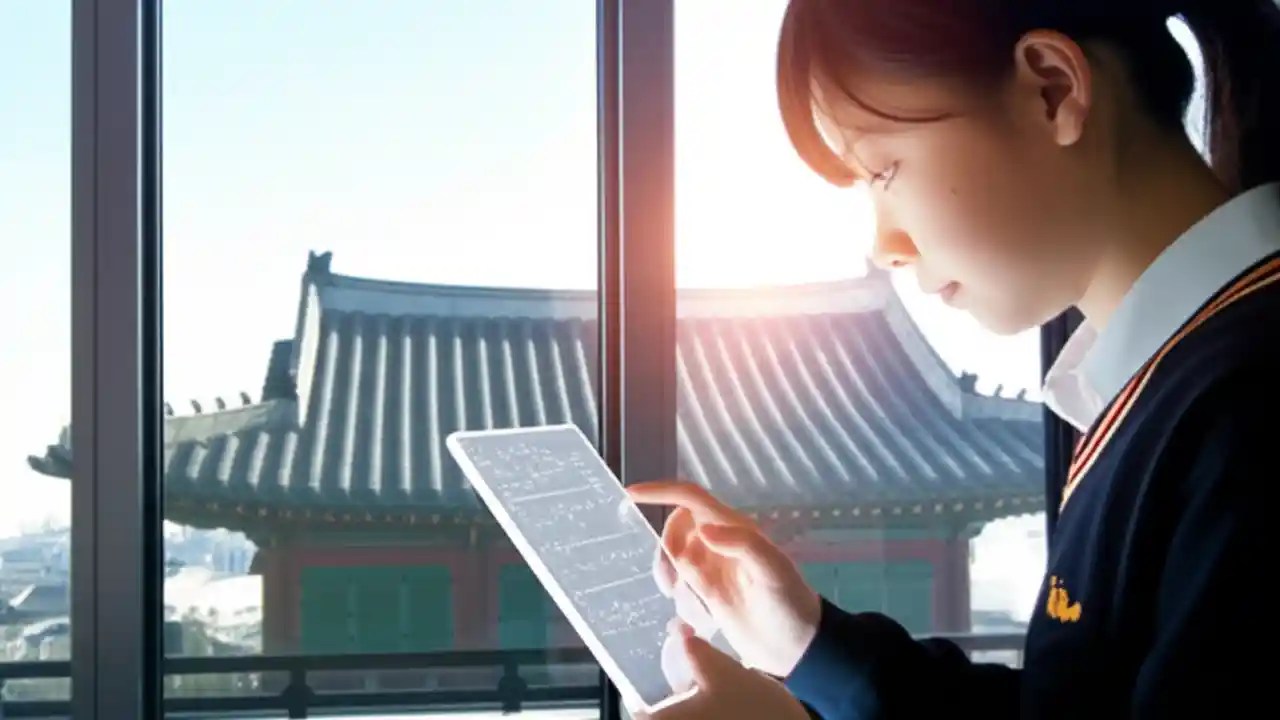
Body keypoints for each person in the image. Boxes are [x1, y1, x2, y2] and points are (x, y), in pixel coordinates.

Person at [629, 0, 1279, 717]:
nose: (883, 245)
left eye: (882, 171)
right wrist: (808, 644)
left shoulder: (1250, 408)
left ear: (1052, 89)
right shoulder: (1172, 382)